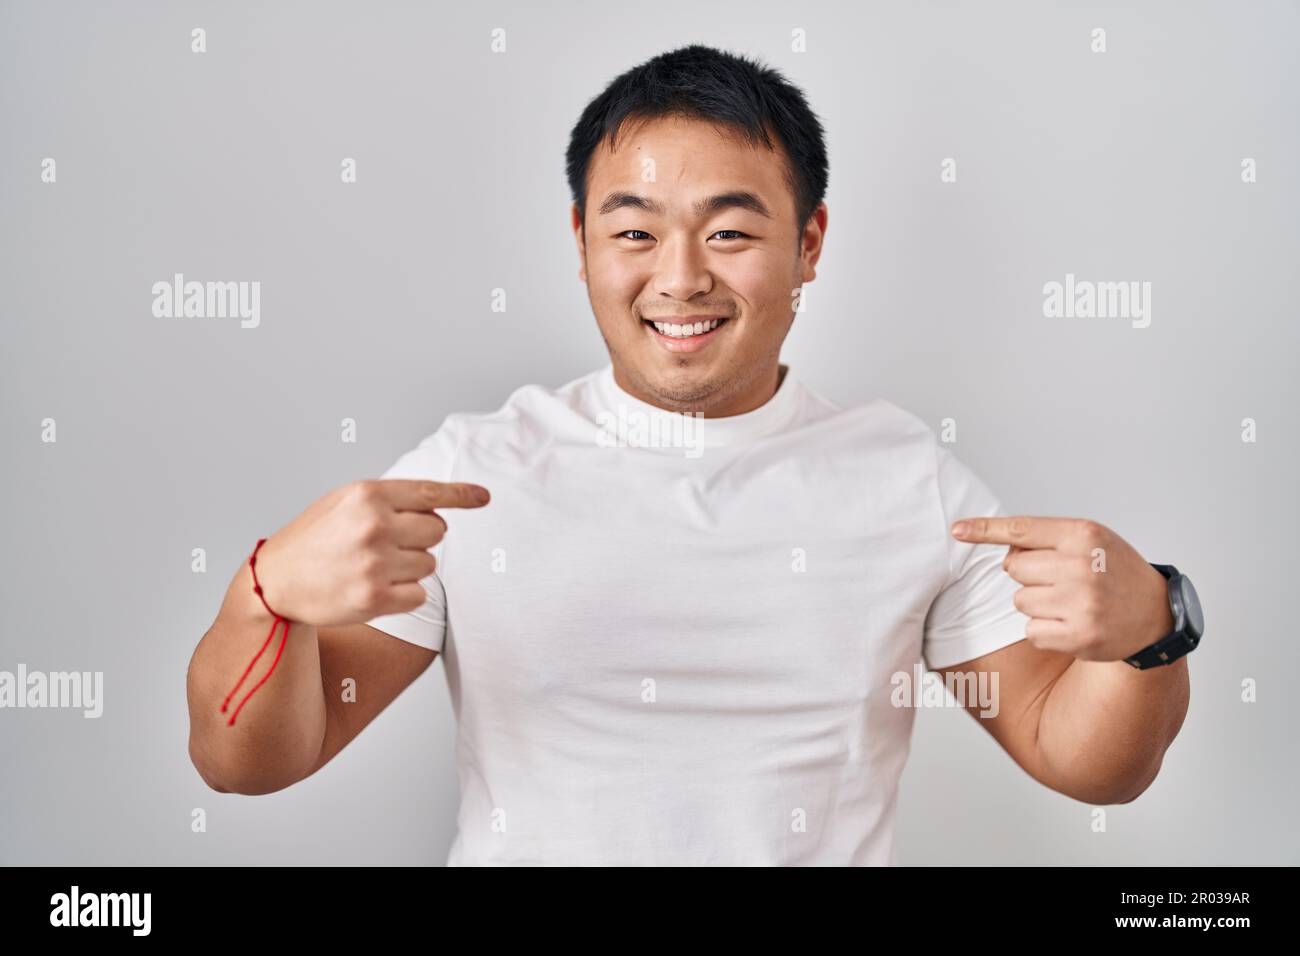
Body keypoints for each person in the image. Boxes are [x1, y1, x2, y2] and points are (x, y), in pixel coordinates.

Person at [186, 44, 1193, 865]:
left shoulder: (906, 478)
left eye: (729, 232)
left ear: (809, 243)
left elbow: (1089, 763)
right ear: (581, 241)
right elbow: (249, 762)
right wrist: (264, 593)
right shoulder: (472, 476)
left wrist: (1153, 627)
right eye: (634, 230)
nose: (680, 278)